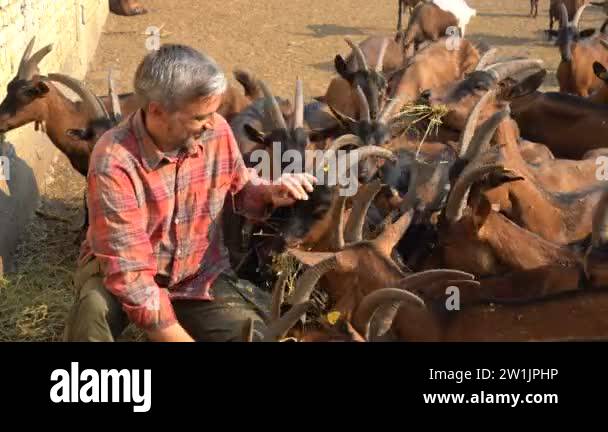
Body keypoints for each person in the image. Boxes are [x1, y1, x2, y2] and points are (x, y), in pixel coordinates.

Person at [63, 44, 316, 342]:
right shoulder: (114, 160)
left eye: (213, 113)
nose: (210, 123)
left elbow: (239, 182)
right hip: (121, 278)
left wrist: (269, 192)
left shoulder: (216, 131)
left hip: (197, 276)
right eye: (199, 117)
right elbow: (131, 277)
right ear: (157, 110)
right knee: (93, 313)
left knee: (255, 335)